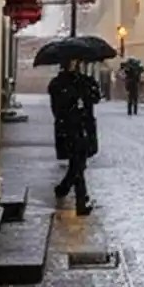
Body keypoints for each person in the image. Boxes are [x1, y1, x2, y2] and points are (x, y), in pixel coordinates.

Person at [48, 59, 100, 215]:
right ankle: (81, 202)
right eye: (71, 63)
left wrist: (89, 85)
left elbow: (95, 98)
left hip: (84, 127)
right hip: (69, 128)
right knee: (78, 163)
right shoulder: (58, 84)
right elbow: (58, 107)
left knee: (78, 163)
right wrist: (73, 102)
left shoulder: (84, 81)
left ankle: (63, 188)